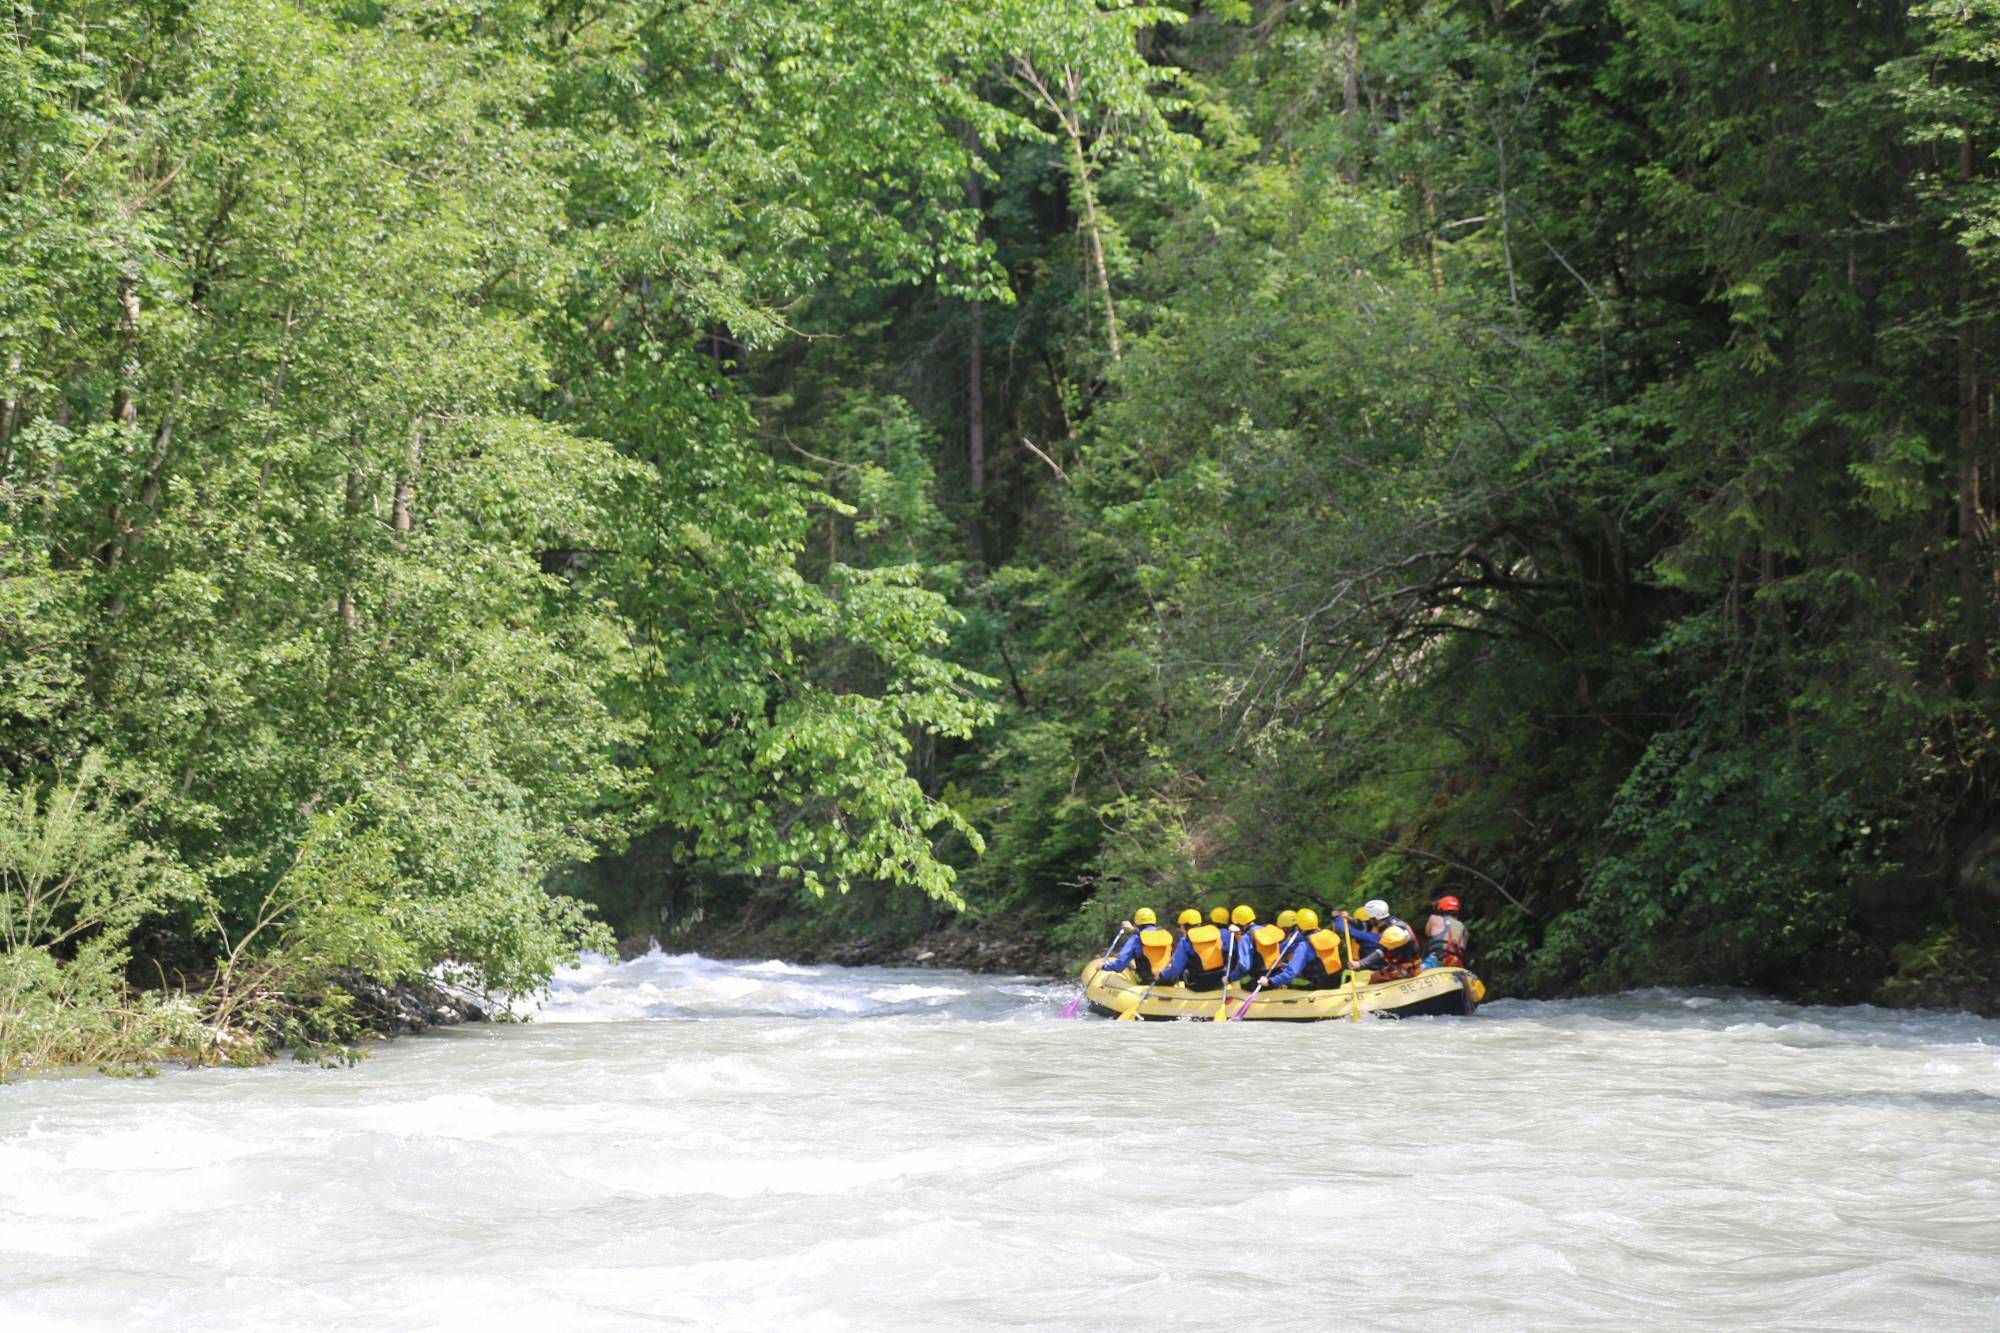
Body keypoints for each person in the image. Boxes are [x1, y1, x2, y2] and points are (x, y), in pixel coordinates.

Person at [1155, 909, 1235, 992]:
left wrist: (1161, 976)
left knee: (1184, 972)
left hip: (1199, 985)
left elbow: (1176, 968)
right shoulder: (1217, 935)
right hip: (1221, 981)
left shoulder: (1185, 941)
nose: (1180, 929)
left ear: (1185, 926)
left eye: (1181, 926)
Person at [1099, 908, 1163, 979]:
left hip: (1147, 983)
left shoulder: (1136, 938)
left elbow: (1119, 966)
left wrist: (1103, 966)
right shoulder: (1163, 936)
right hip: (1168, 982)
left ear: (1137, 923)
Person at [1350, 923, 1423, 981]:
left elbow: (1379, 954)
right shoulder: (1407, 941)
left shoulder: (1398, 947)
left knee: (1374, 977)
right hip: (1414, 965)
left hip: (1406, 969)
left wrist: (1360, 963)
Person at [1422, 896, 1469, 970]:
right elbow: (1462, 948)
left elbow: (1427, 933)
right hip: (1456, 961)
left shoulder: (1433, 918)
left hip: (1437, 958)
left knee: (1418, 972)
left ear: (1440, 909)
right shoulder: (1464, 928)